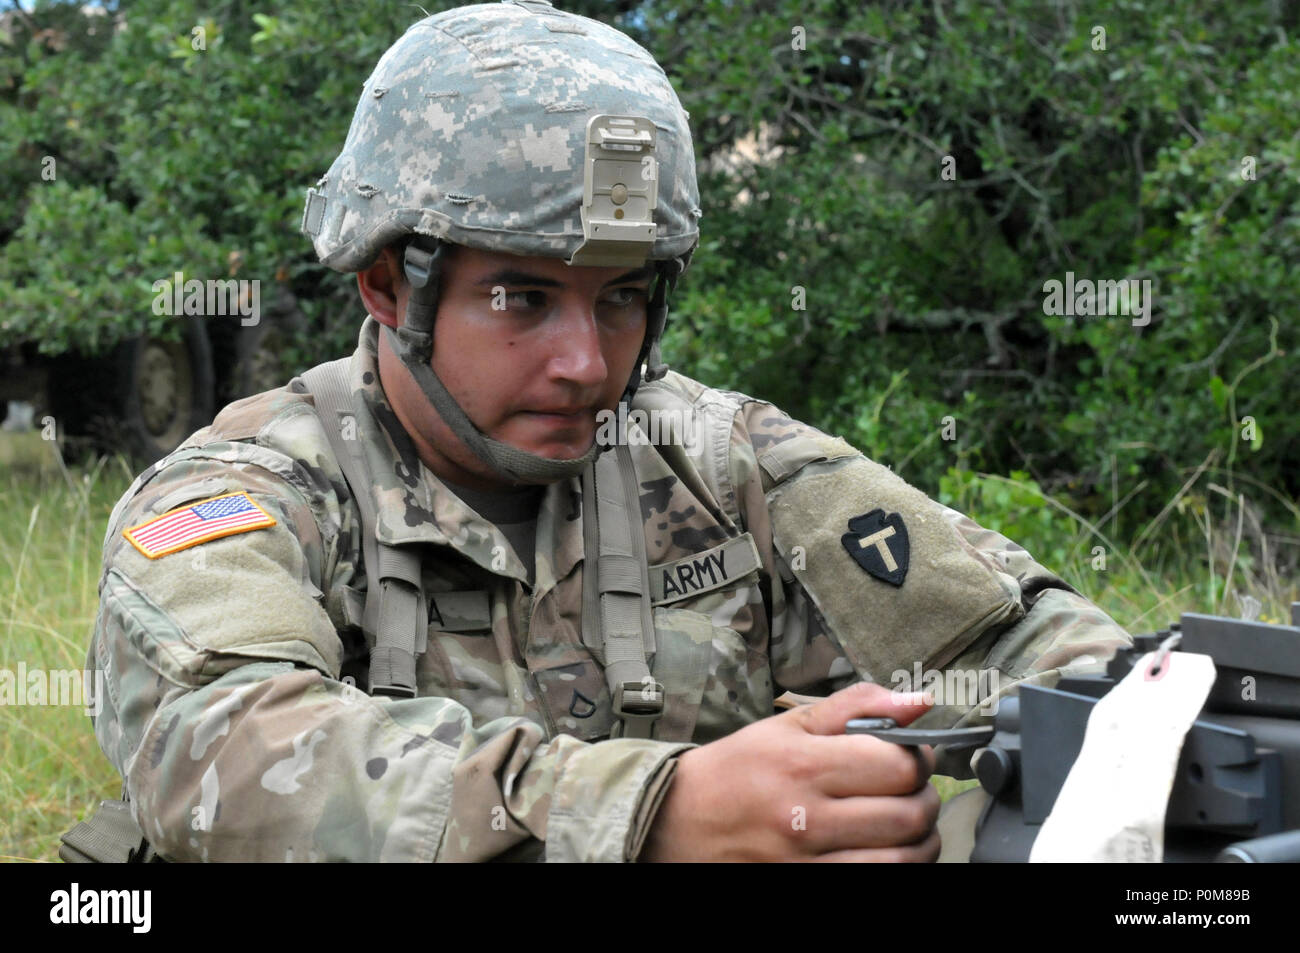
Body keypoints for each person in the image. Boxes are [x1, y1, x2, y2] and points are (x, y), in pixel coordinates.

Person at [85, 1, 1131, 862]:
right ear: (385, 286)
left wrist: (1141, 738)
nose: (587, 361)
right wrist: (660, 810)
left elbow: (1023, 645)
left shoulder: (724, 461)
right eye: (522, 299)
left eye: (623, 296)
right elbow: (218, 748)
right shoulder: (249, 491)